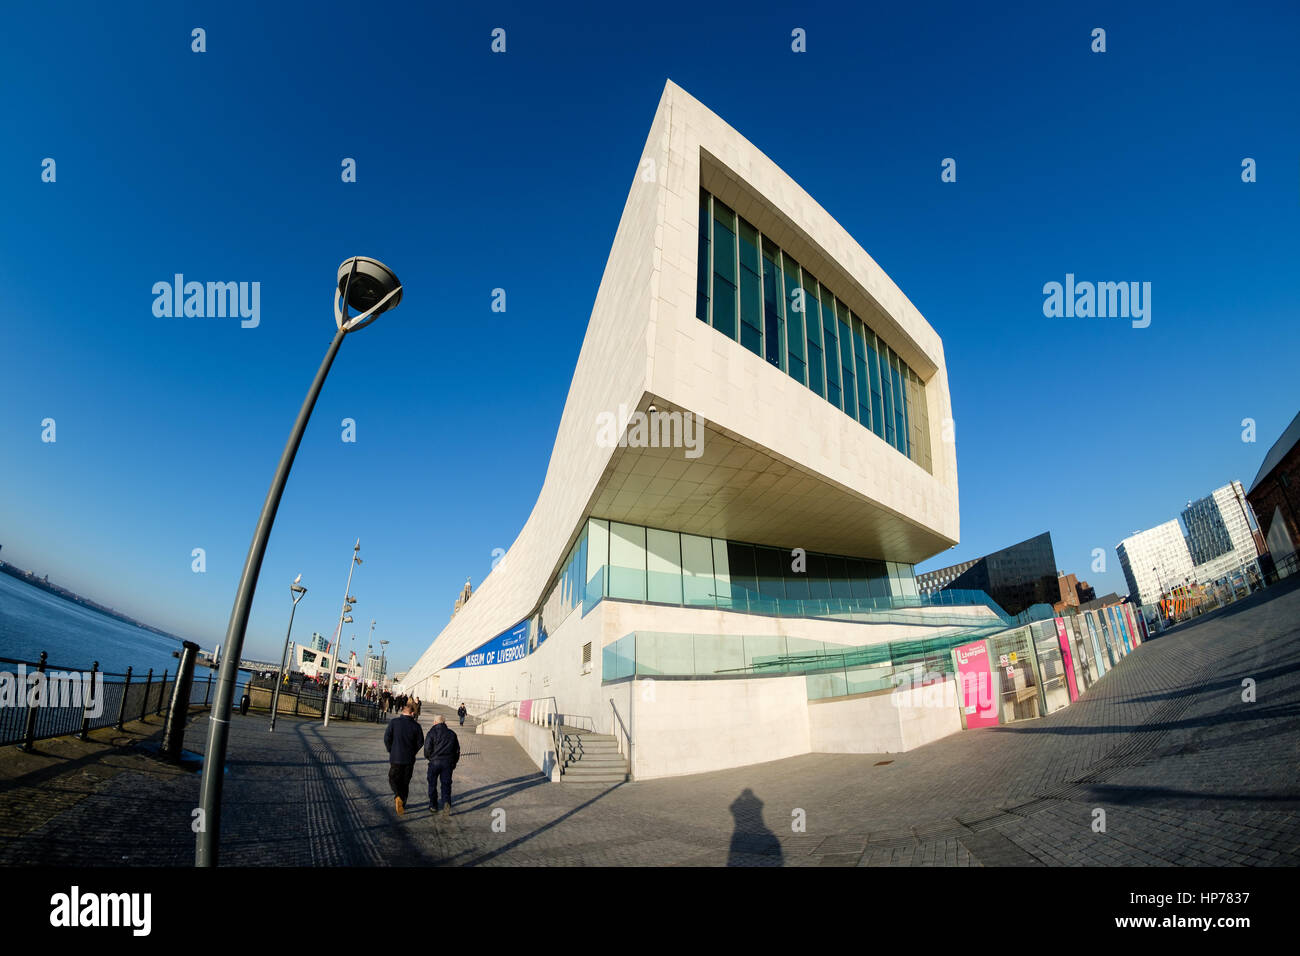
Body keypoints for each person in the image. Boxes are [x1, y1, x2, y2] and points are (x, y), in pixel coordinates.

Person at [383, 700, 424, 816]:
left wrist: (391, 750)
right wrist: (413, 751)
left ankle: (398, 796)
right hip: (409, 758)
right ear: (411, 714)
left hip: (395, 757)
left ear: (402, 712)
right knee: (405, 781)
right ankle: (402, 801)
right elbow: (420, 742)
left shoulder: (394, 722)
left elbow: (387, 738)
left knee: (393, 778)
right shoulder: (416, 726)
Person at [424, 715, 460, 817]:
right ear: (444, 723)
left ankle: (433, 805)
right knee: (446, 784)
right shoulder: (452, 734)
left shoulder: (431, 733)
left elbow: (427, 749)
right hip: (447, 763)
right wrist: (453, 762)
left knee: (432, 784)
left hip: (434, 762)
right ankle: (446, 802)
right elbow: (457, 750)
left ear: (435, 722)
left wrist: (430, 758)